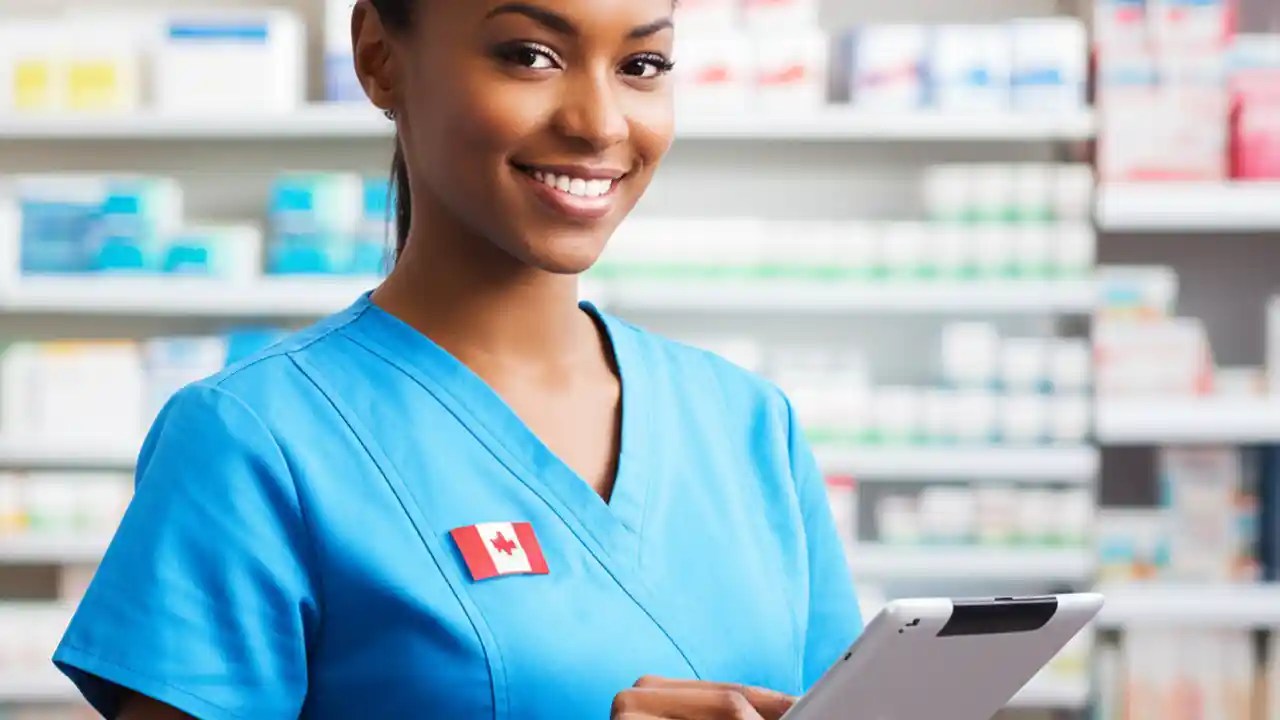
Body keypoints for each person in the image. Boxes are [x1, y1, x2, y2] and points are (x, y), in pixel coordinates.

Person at [52, 0, 862, 717]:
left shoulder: (750, 424)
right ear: (378, 56)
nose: (601, 123)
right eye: (529, 55)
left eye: (641, 65)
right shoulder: (255, 440)